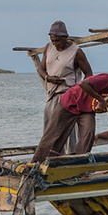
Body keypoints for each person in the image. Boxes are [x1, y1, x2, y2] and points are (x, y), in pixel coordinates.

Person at [34, 70, 108, 161]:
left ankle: (79, 164)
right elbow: (83, 84)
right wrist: (100, 99)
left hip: (86, 110)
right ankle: (37, 163)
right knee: (54, 134)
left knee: (89, 133)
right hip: (71, 102)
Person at [37, 21, 92, 155]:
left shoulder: (76, 52)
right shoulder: (48, 48)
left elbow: (89, 73)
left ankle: (70, 157)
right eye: (52, 40)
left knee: (67, 130)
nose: (55, 43)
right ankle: (50, 156)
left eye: (57, 41)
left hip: (68, 94)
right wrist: (49, 78)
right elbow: (41, 69)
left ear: (65, 38)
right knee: (50, 128)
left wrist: (79, 90)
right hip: (51, 94)